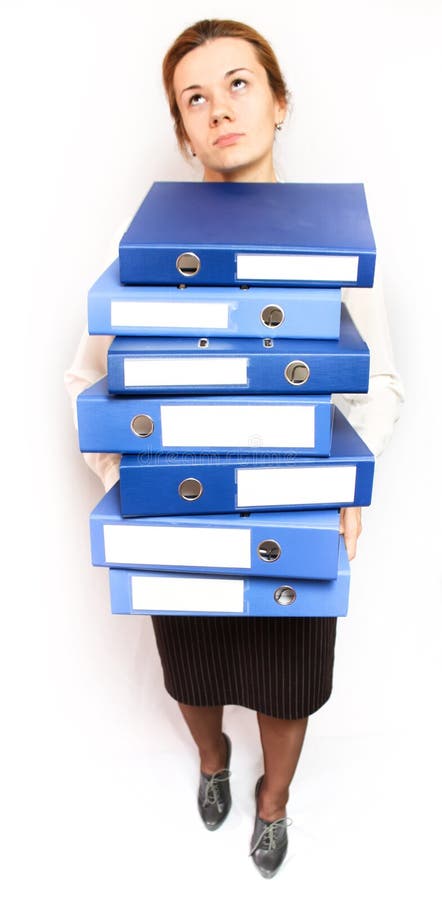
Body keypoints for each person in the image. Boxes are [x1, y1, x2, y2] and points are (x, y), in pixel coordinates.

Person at [65, 18, 404, 878]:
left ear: (280, 100)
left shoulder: (338, 253)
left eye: (239, 83)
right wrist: (131, 473)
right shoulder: (146, 258)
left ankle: (274, 802)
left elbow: (380, 387)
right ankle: (214, 762)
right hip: (182, 510)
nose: (220, 108)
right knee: (193, 662)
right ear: (183, 132)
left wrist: (345, 487)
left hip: (293, 511)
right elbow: (87, 382)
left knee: (290, 677)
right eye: (196, 98)